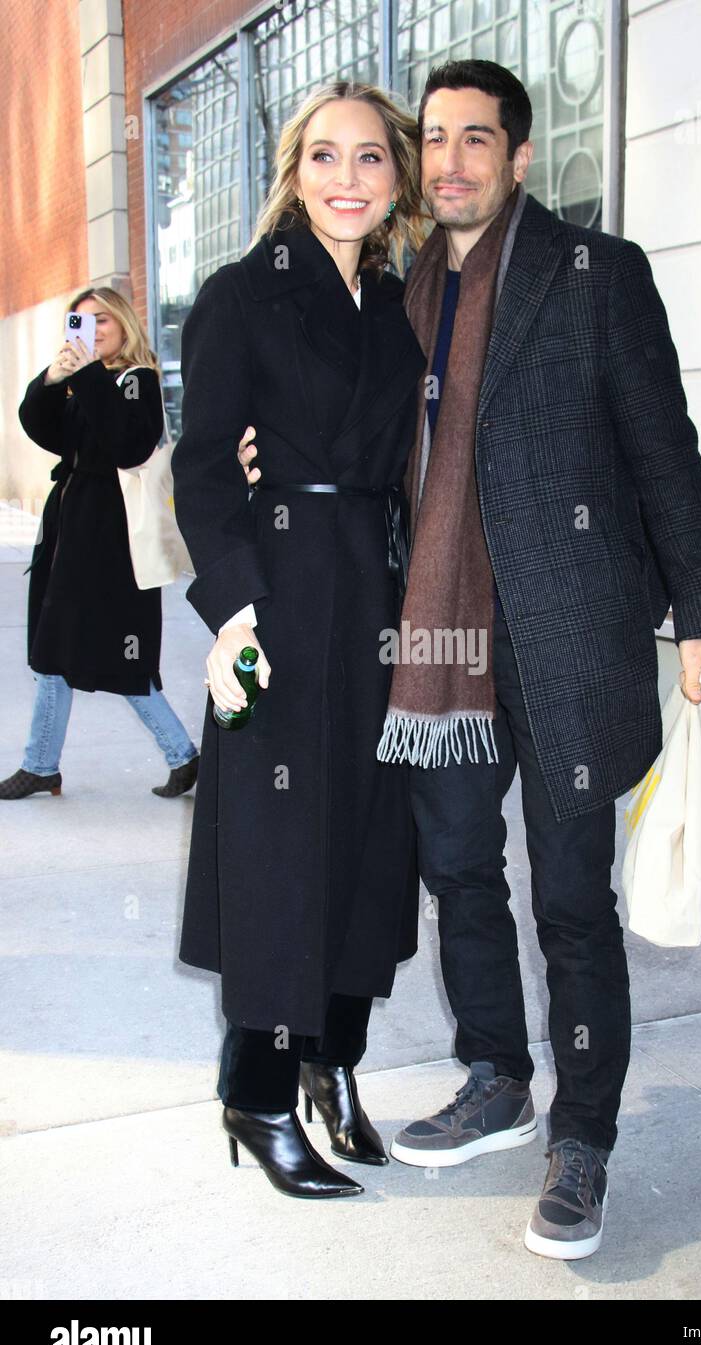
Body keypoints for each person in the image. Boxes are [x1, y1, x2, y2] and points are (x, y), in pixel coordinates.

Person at [242, 61, 701, 1257]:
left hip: (571, 635)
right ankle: (494, 1074)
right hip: (436, 644)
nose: (451, 160)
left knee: (571, 904)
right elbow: (353, 450)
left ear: (518, 156)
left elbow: (663, 453)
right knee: (460, 875)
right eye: (434, 140)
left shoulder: (593, 274)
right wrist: (270, 463)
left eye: (477, 139)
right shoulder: (397, 294)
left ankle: (581, 1137)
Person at [171, 83, 428, 1199]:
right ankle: (258, 1092)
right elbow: (195, 469)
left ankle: (335, 1062)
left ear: (395, 178)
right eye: (324, 156)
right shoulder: (241, 296)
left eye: (369, 158)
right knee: (278, 853)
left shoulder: (400, 304)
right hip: (279, 594)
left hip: (379, 593)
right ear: (293, 170)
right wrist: (231, 611)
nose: (346, 178)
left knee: (369, 843)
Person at [3, 288, 199, 801]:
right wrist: (53, 379)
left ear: (123, 324)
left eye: (102, 320)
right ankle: (42, 763)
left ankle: (182, 754)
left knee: (121, 657)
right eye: (82, 321)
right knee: (55, 649)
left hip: (111, 542)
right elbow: (44, 430)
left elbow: (126, 444)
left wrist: (88, 376)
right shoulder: (84, 382)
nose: (93, 330)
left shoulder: (138, 381)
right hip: (72, 533)